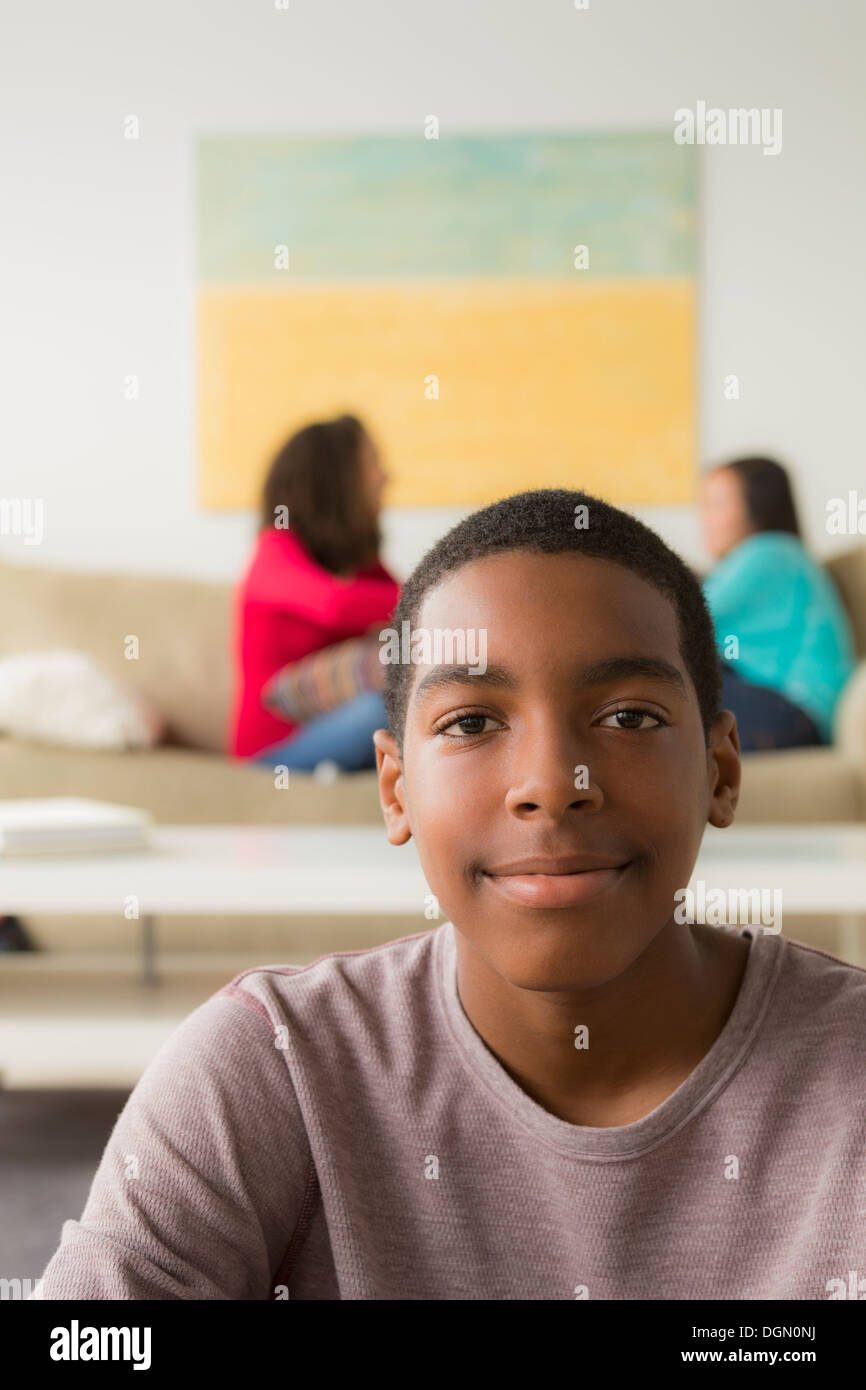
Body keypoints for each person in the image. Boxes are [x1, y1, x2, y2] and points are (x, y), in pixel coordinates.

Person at [36, 488, 866, 1299]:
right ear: (394, 790)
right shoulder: (266, 1070)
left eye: (629, 717)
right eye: (471, 722)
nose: (550, 784)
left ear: (720, 772)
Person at [229, 414, 400, 772]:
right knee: (384, 709)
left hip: (337, 726)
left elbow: (410, 608)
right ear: (336, 481)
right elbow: (336, 605)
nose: (386, 477)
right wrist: (443, 594)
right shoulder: (273, 550)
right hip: (271, 755)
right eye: (372, 465)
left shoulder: (362, 565)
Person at [699, 456, 856, 752]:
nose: (704, 517)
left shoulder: (769, 552)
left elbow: (680, 615)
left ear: (755, 508)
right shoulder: (782, 557)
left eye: (717, 504)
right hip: (791, 711)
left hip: (795, 710)